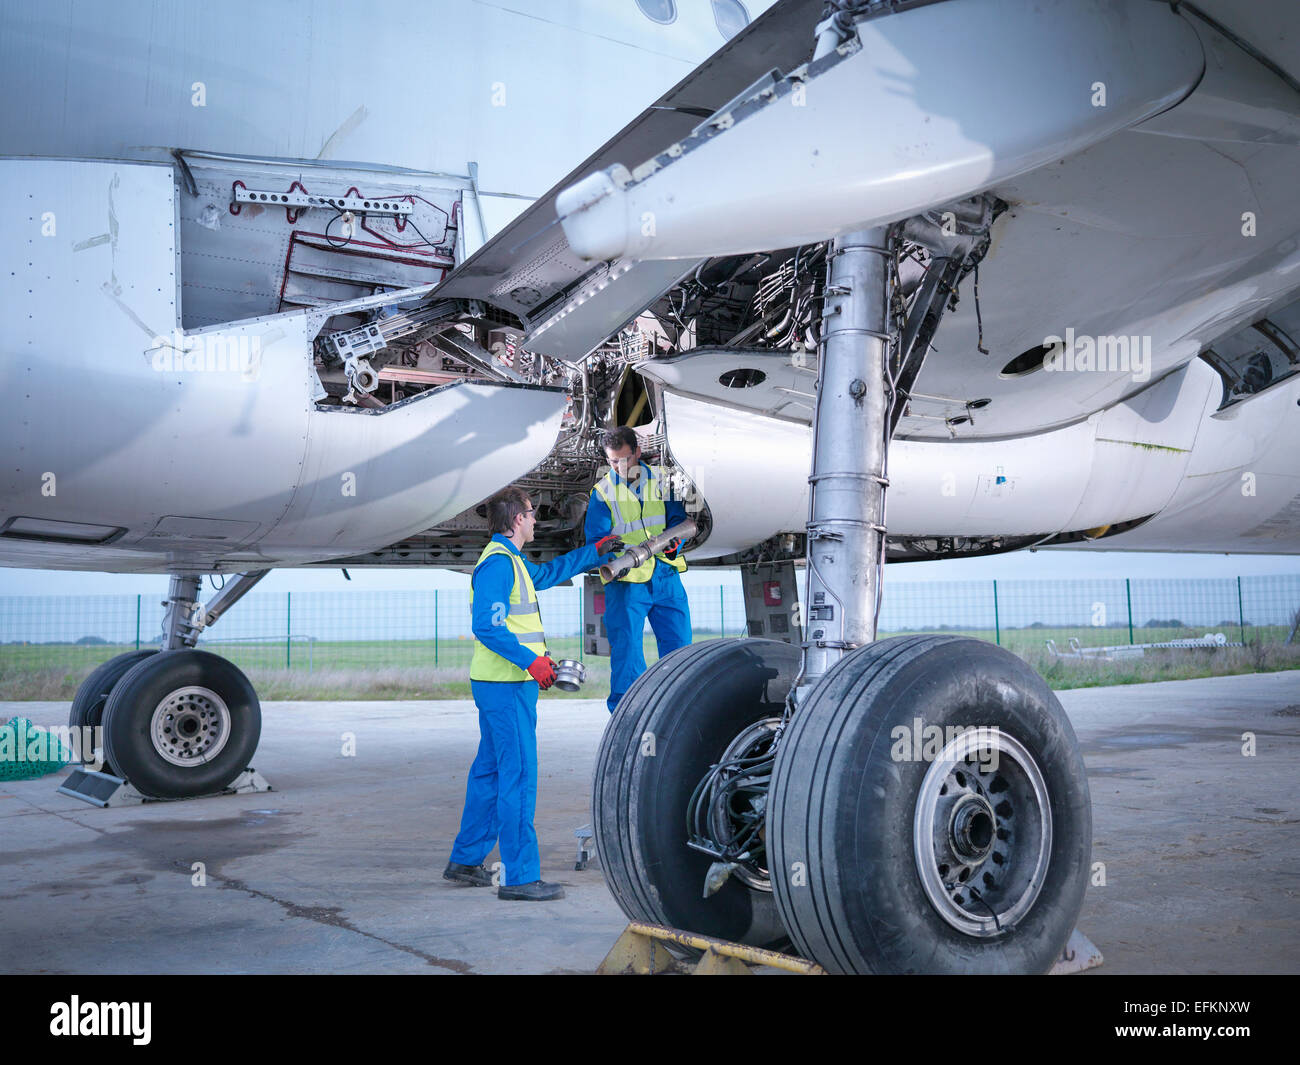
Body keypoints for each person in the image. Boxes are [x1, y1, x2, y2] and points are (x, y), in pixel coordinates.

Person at [444, 486, 622, 901]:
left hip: (501, 685)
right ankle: (520, 877)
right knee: (518, 776)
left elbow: (547, 575)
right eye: (531, 512)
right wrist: (532, 662)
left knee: (490, 772)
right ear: (516, 519)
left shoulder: (513, 561)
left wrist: (593, 552)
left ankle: (466, 859)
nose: (536, 519)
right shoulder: (497, 565)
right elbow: (487, 627)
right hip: (506, 687)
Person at [585, 425, 693, 715]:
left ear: (638, 453)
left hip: (665, 574)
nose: (619, 467)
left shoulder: (660, 480)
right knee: (627, 654)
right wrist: (615, 553)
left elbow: (677, 520)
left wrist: (675, 542)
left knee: (680, 647)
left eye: (624, 459)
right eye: (612, 462)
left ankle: (679, 711)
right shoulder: (602, 492)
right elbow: (595, 541)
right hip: (627, 582)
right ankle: (626, 716)